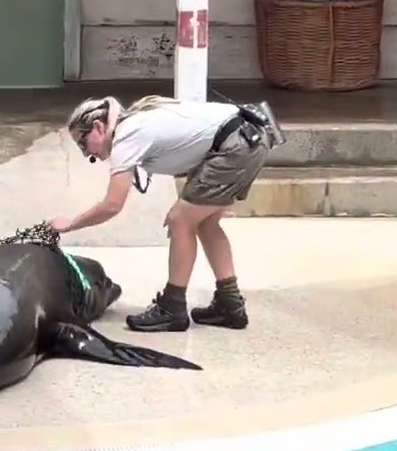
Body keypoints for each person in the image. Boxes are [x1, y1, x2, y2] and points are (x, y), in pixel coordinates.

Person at [47, 94, 274, 333]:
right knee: (205, 223)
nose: (86, 154)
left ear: (98, 127)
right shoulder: (137, 122)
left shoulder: (126, 135)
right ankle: (230, 304)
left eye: (83, 143)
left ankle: (172, 308)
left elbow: (112, 205)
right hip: (249, 137)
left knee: (180, 221)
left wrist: (69, 224)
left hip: (237, 144)